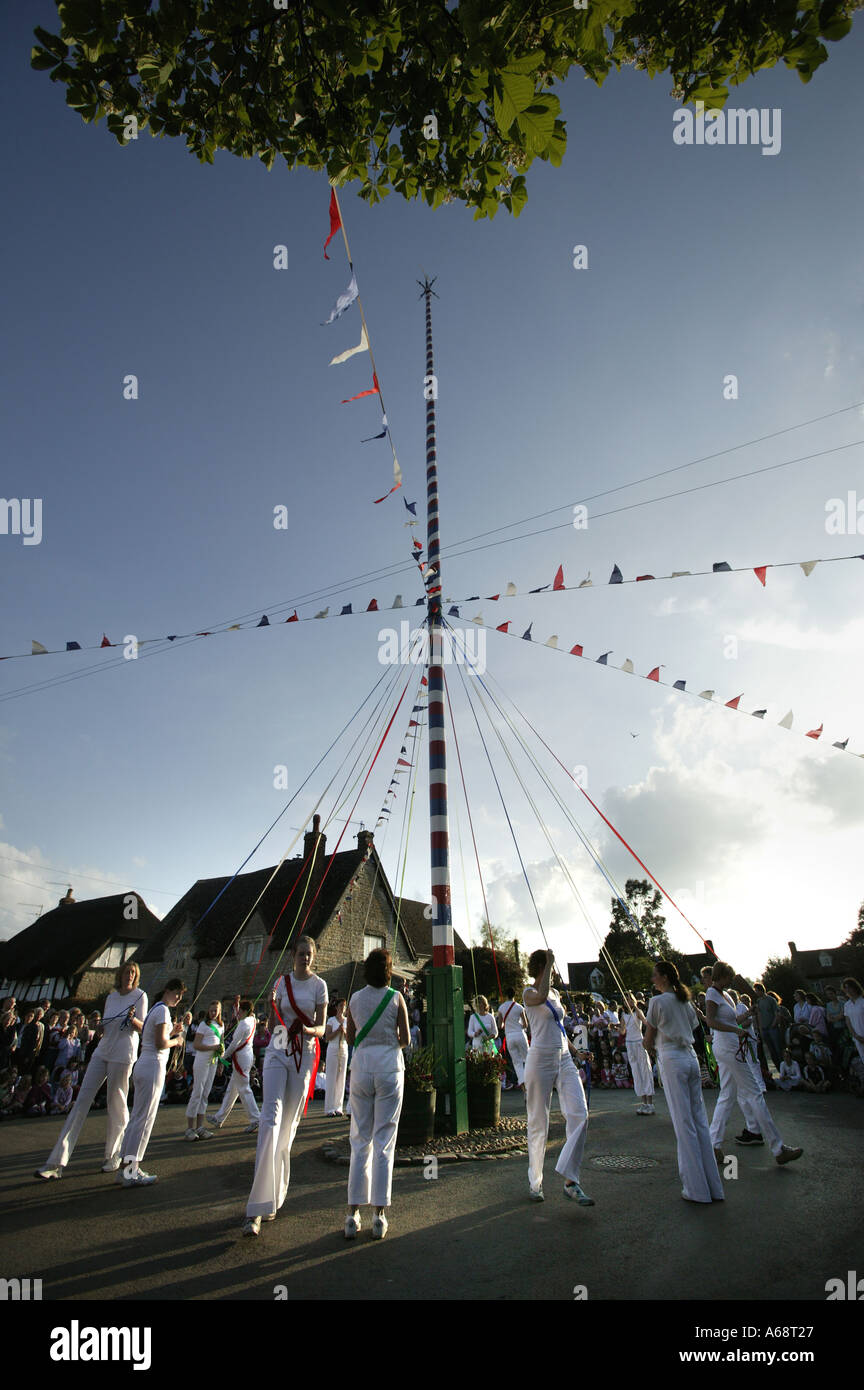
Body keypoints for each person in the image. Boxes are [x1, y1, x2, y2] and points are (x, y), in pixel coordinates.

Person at [242, 936, 327, 1236]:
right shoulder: (280, 983)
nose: (305, 958)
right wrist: (269, 1012)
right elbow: (269, 1024)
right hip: (278, 1049)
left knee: (287, 1129)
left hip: (304, 1052)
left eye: (310, 954)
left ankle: (274, 1195)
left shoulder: (320, 986)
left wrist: (307, 1029)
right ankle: (256, 1207)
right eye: (301, 953)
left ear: (314, 957)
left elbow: (322, 1027)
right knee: (270, 1119)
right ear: (293, 955)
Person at [35, 963, 148, 1181]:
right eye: (126, 972)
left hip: (123, 1054)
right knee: (81, 1102)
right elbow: (105, 1026)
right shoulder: (112, 997)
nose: (129, 976)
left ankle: (114, 1154)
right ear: (120, 974)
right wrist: (101, 1026)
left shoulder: (140, 996)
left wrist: (133, 1018)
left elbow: (143, 1027)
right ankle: (56, 1162)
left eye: (133, 973)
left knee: (116, 1104)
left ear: (136, 977)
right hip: (102, 1051)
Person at [642, 960, 723, 1204]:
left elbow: (648, 1040)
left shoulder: (656, 1002)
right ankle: (714, 1187)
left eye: (655, 975)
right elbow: (693, 1026)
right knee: (699, 1121)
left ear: (665, 977)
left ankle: (696, 1189)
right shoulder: (684, 1000)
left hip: (672, 1059)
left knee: (683, 1122)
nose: (653, 980)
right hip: (689, 1059)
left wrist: (649, 1047)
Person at [343, 948, 410, 1240]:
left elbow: (349, 1035)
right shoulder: (397, 998)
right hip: (389, 1069)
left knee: (360, 1138)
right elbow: (405, 1039)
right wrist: (388, 1040)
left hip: (361, 1068)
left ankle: (351, 1214)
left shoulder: (355, 999)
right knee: (384, 1140)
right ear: (388, 972)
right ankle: (379, 1216)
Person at [707, 963, 802, 1168]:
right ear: (721, 976)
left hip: (730, 1048)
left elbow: (734, 1018)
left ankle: (712, 1143)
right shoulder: (711, 995)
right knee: (754, 1093)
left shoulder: (726, 996)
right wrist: (736, 1030)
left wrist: (748, 1013)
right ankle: (778, 1148)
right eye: (729, 977)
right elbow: (711, 1022)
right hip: (728, 1049)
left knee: (727, 1095)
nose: (731, 980)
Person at [522, 949, 593, 1206]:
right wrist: (550, 961)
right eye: (549, 967)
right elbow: (539, 996)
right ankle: (535, 1182)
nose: (552, 971)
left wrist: (578, 1053)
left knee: (579, 1113)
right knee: (538, 1122)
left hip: (563, 1057)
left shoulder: (555, 994)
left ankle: (570, 1179)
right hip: (539, 1058)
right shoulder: (529, 993)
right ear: (542, 966)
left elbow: (559, 1029)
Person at [118, 979, 187, 1187]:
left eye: (181, 995)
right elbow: (160, 1043)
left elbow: (154, 1036)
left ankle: (125, 1168)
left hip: (144, 1064)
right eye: (177, 993)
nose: (179, 998)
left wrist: (172, 1033)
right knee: (144, 1119)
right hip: (153, 1065)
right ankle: (131, 1170)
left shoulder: (155, 1011)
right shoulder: (163, 1011)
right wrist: (177, 1040)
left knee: (138, 1116)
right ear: (168, 991)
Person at [209, 999, 260, 1132]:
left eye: (239, 1011)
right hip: (247, 1055)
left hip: (241, 1057)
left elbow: (233, 1045)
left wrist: (222, 1057)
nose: (238, 1014)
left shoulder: (243, 1024)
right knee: (232, 1089)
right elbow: (247, 1015)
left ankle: (256, 1119)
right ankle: (219, 1118)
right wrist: (237, 1005)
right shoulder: (252, 1019)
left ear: (244, 1011)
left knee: (243, 1088)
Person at [184, 1000, 223, 1140]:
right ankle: (190, 1128)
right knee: (197, 1092)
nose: (213, 1012)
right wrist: (213, 1048)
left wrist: (220, 1062)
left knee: (205, 1093)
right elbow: (196, 1045)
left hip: (213, 1061)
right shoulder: (203, 1025)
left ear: (219, 1011)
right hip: (201, 1060)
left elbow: (221, 1044)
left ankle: (200, 1127)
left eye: (215, 1010)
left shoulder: (220, 1025)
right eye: (211, 1010)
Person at [623, 992, 654, 1114]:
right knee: (636, 1072)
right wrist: (615, 1027)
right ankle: (643, 1102)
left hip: (638, 1042)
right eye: (625, 1000)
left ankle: (650, 1103)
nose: (627, 1002)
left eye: (629, 999)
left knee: (645, 1069)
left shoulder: (637, 1012)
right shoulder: (624, 1015)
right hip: (629, 1043)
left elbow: (645, 1022)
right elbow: (622, 1030)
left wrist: (635, 1006)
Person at [496, 988, 529, 1090]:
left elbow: (500, 1026)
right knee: (527, 1059)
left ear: (506, 995)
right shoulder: (519, 1007)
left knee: (517, 1062)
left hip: (509, 1036)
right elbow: (525, 1024)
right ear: (515, 995)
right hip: (520, 1034)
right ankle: (530, 1081)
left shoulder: (501, 1008)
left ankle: (523, 1083)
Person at [324, 998, 349, 1116]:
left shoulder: (347, 1021)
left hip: (343, 1049)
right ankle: (329, 1108)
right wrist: (337, 1031)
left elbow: (350, 1039)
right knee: (331, 1077)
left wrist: (344, 1031)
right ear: (337, 1007)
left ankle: (338, 1106)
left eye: (344, 1006)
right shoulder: (331, 1020)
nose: (342, 1008)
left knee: (341, 1077)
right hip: (333, 1048)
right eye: (340, 1006)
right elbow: (327, 1037)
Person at [842, 978, 864, 1063]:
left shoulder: (862, 1001)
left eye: (849, 987)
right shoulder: (847, 1005)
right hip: (857, 1038)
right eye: (846, 988)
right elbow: (848, 1021)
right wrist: (855, 1035)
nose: (848, 990)